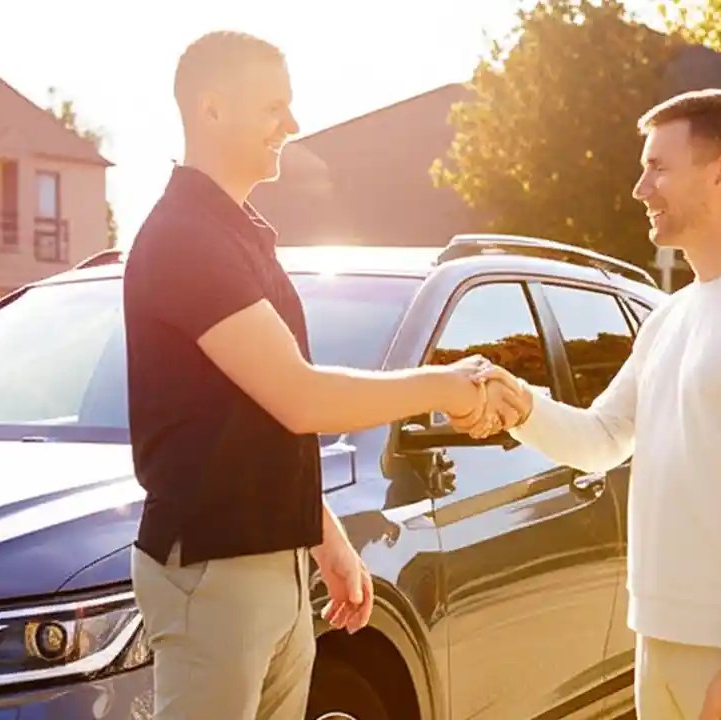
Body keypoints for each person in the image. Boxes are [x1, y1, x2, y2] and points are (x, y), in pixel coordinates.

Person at [121, 31, 521, 720]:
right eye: (274, 107)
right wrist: (443, 386)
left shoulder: (237, 234)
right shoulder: (184, 237)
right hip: (214, 572)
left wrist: (324, 538)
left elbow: (266, 419)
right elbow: (302, 396)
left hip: (271, 565)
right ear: (212, 110)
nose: (293, 125)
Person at [458, 89, 721, 720]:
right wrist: (521, 403)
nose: (641, 188)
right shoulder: (670, 316)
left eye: (658, 167)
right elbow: (602, 438)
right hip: (661, 640)